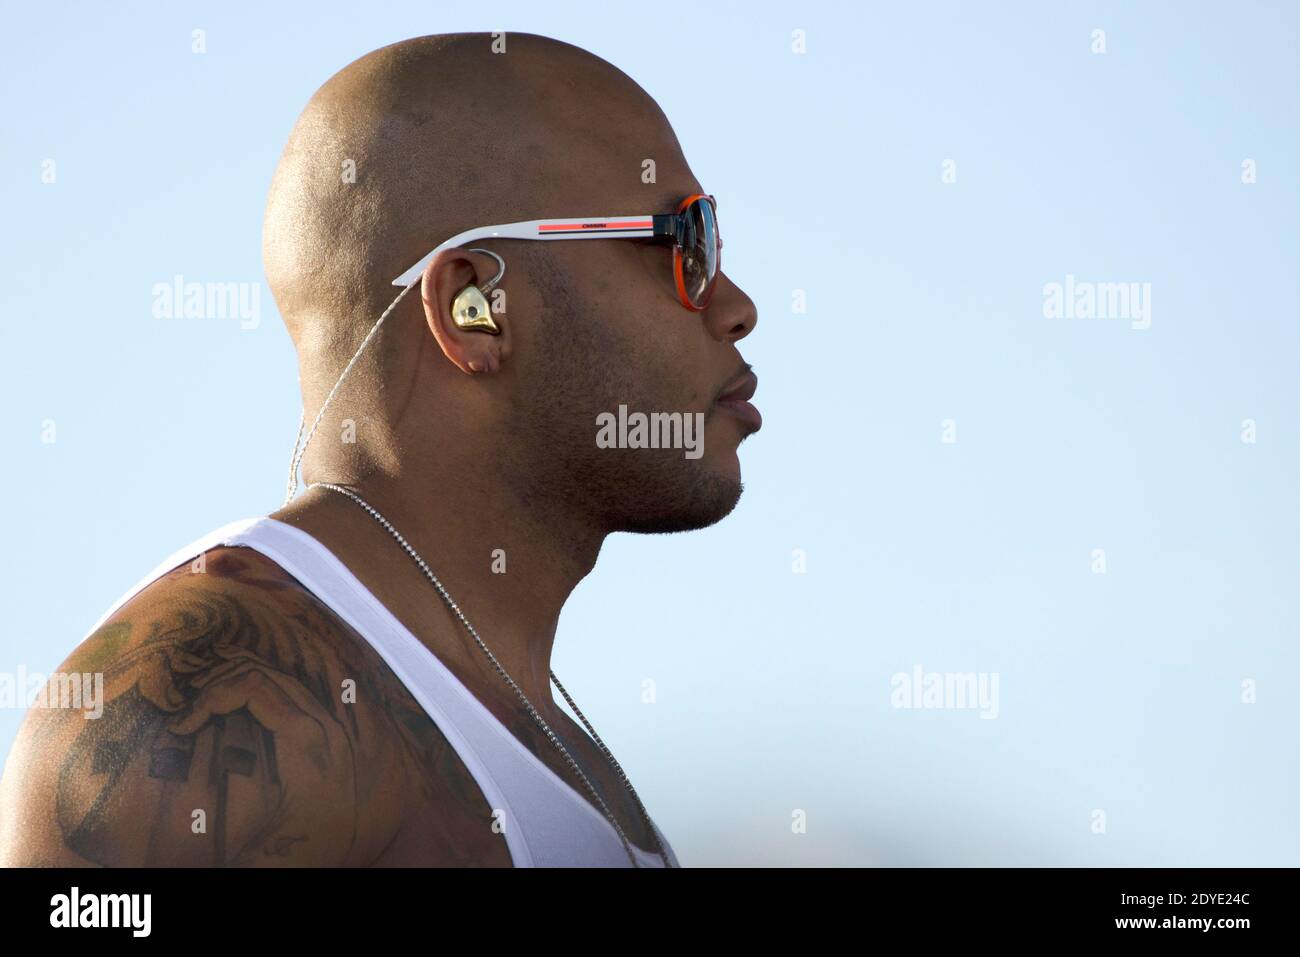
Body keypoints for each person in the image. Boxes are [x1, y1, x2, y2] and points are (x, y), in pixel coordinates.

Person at [0, 31, 759, 867]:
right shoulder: (198, 702)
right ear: (476, 307)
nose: (736, 305)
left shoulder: (555, 739)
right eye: (684, 241)